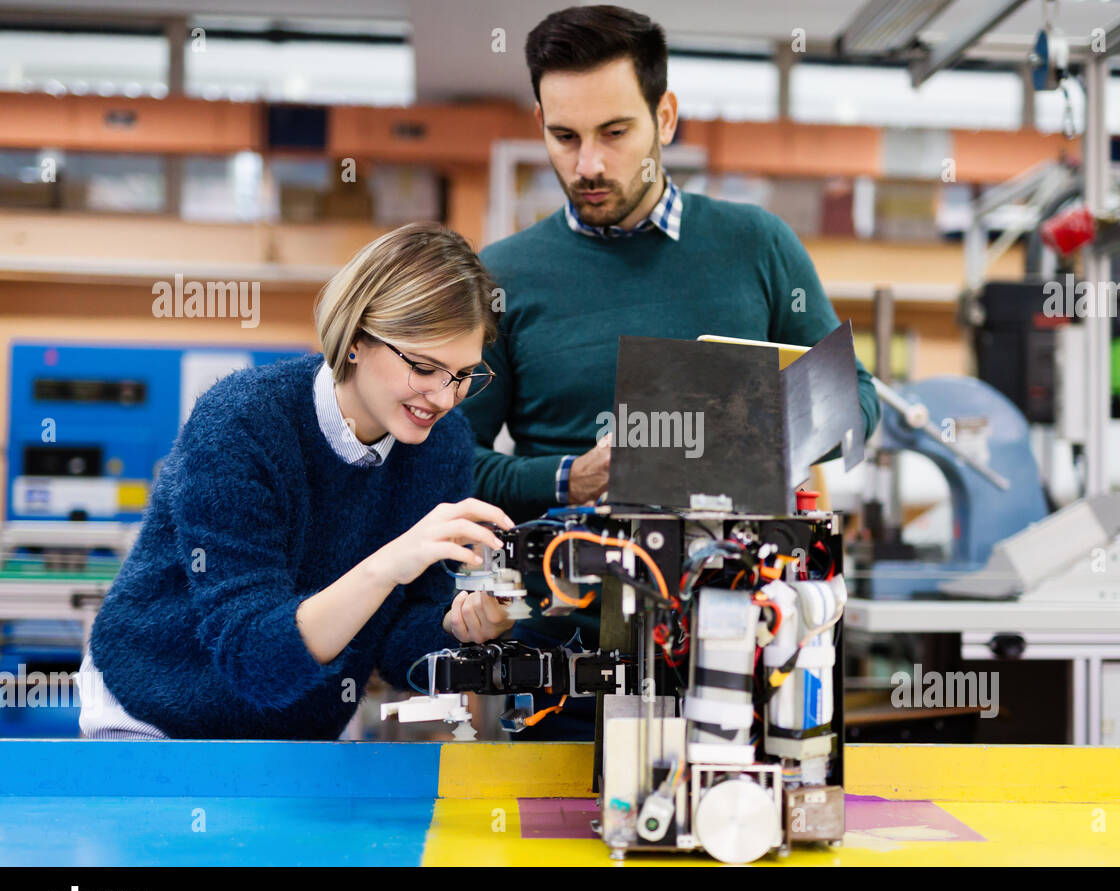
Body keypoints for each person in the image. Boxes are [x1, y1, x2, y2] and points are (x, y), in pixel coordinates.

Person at [458, 4, 881, 740]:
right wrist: (566, 480)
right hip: (566, 658)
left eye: (615, 133)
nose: (588, 164)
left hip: (742, 640)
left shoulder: (756, 246)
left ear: (666, 117)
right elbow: (447, 466)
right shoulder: (502, 277)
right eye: (565, 136)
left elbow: (861, 403)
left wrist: (759, 434)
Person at [79, 223, 515, 740]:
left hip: (299, 733)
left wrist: (458, 629)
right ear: (355, 339)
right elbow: (252, 658)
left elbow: (397, 650)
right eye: (424, 367)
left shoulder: (444, 445)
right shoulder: (241, 422)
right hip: (158, 716)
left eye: (464, 375)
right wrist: (385, 566)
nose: (443, 398)